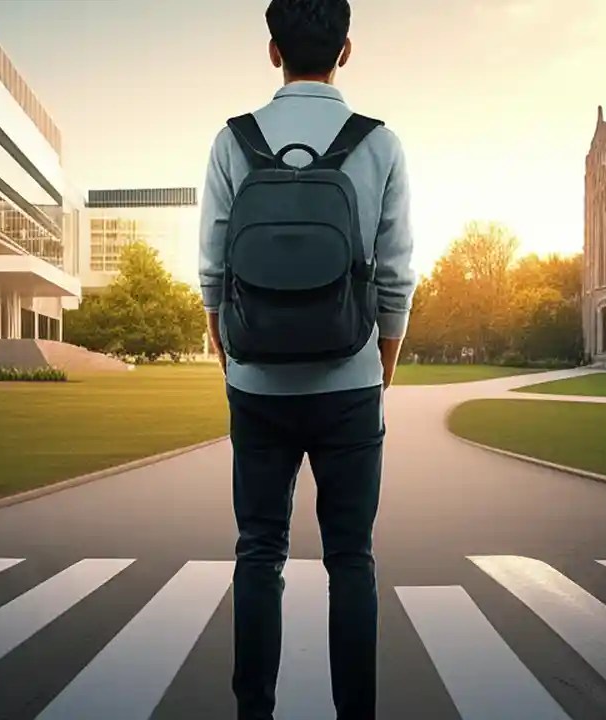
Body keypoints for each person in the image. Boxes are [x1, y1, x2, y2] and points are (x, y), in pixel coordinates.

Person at [198, 1, 415, 718]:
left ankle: (252, 711)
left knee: (259, 551)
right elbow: (395, 272)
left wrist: (224, 335)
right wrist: (382, 359)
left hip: (257, 382)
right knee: (350, 557)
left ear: (272, 52)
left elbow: (212, 262)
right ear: (345, 51)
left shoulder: (233, 140)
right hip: (349, 378)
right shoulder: (379, 143)